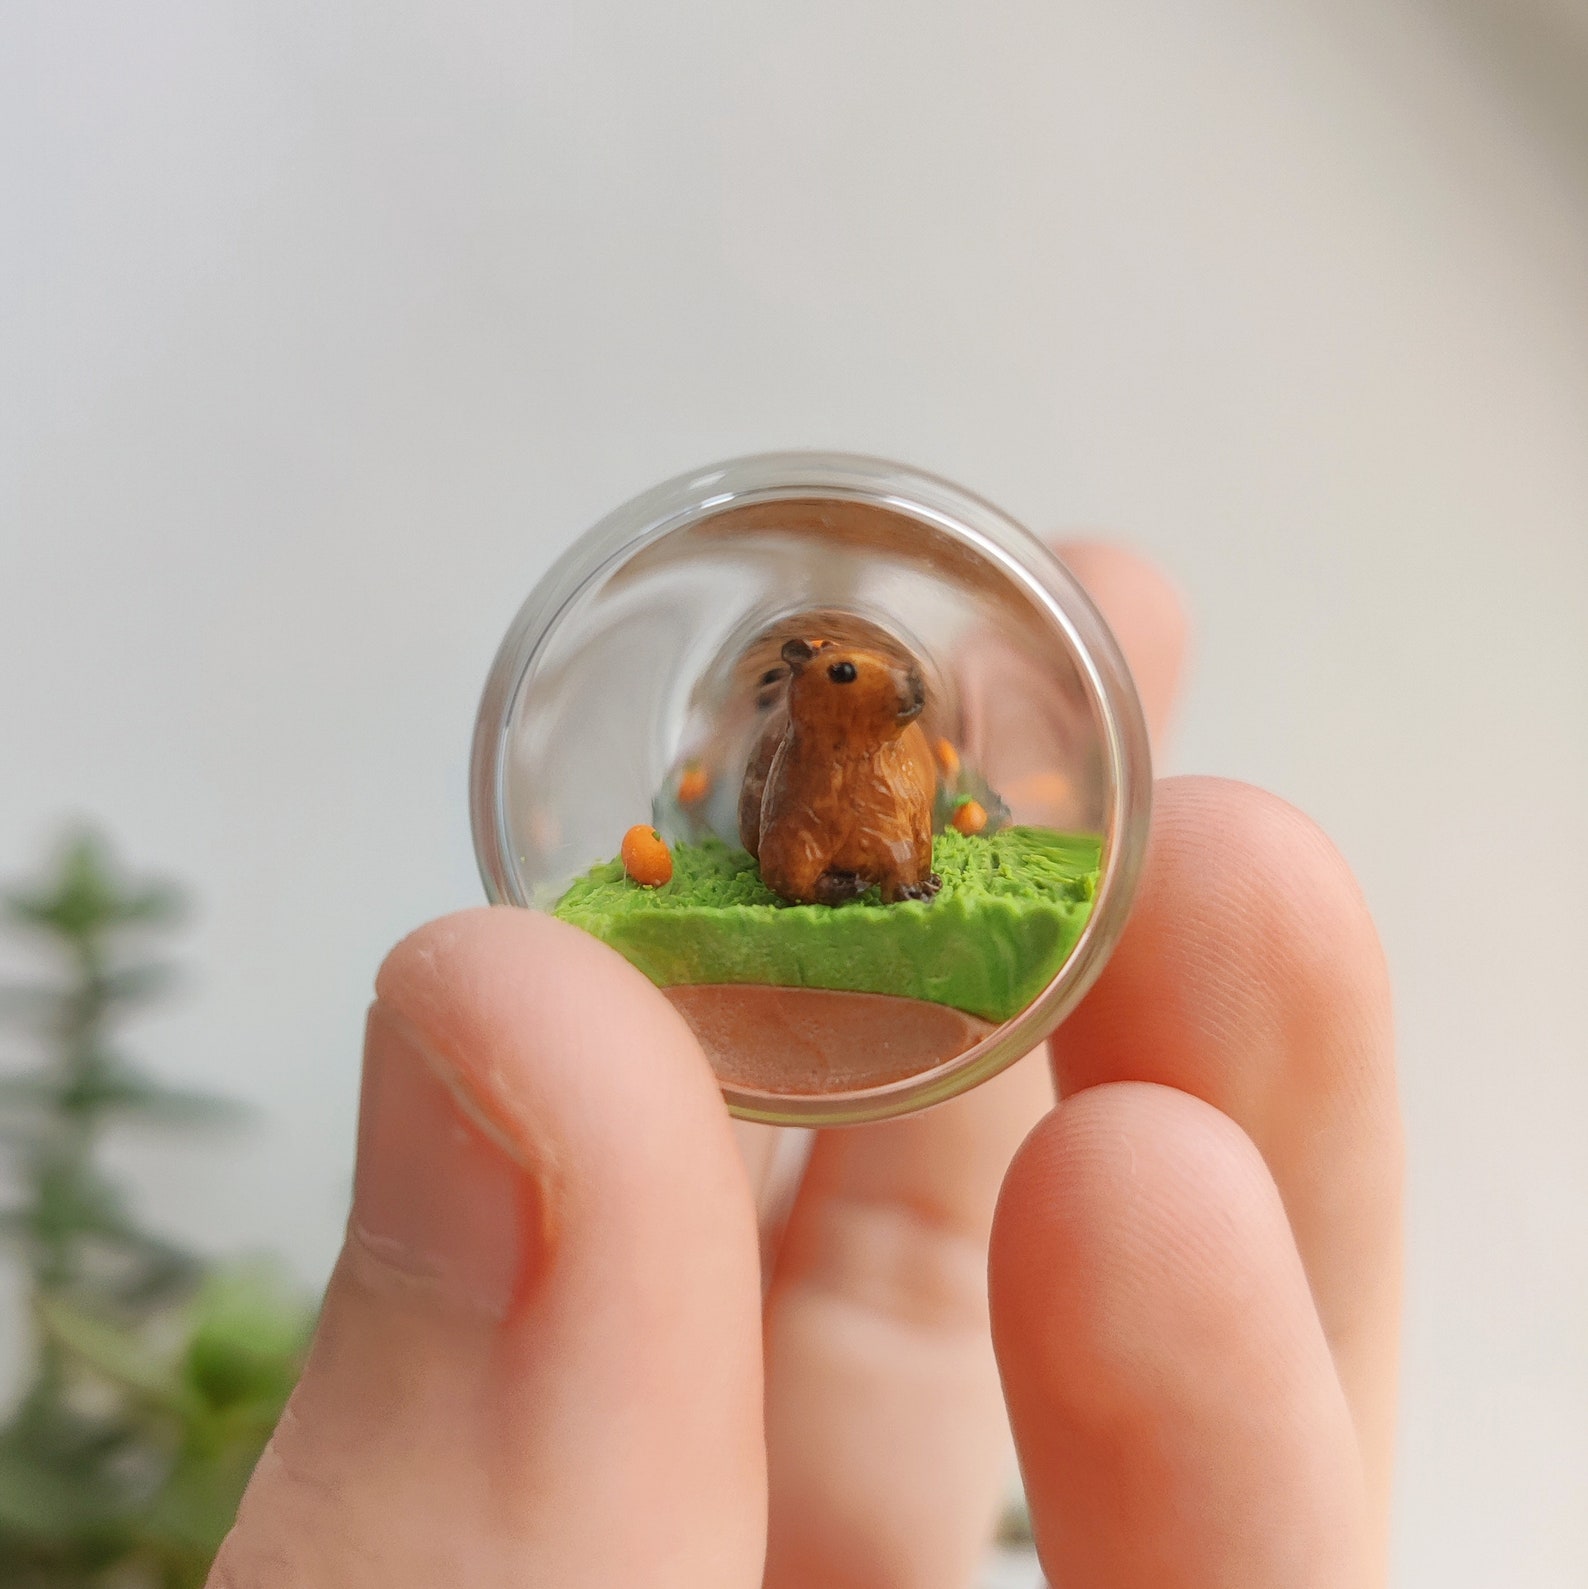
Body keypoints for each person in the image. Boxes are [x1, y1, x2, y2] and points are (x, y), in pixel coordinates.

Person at [207, 547, 1401, 1589]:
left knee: (956, 862)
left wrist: (902, 864)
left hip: (896, 853)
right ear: (812, 690)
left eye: (882, 682)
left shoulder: (912, 756)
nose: (883, 687)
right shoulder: (788, 745)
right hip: (777, 858)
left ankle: (879, 870)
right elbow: (783, 823)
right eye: (848, 674)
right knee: (804, 849)